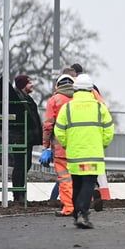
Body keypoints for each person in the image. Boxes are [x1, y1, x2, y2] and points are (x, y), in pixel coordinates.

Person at [53, 74, 114, 229]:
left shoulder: (67, 108)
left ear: (75, 89)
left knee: (77, 183)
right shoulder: (100, 107)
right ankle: (83, 214)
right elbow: (109, 130)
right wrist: (102, 144)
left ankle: (76, 213)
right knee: (88, 182)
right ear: (91, 89)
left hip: (74, 154)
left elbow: (59, 131)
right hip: (93, 154)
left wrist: (67, 144)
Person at [43, 74, 76, 217]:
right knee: (80, 177)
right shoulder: (79, 99)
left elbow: (48, 125)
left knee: (64, 178)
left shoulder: (54, 100)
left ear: (57, 86)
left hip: (61, 147)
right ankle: (82, 205)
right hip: (80, 146)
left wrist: (46, 146)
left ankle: (68, 207)